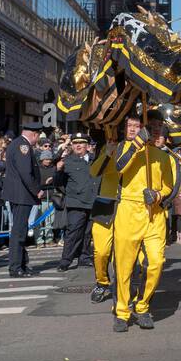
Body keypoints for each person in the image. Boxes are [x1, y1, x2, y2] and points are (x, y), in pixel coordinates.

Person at [110, 111, 179, 332]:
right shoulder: (126, 147)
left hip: (154, 214)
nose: (156, 129)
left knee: (156, 262)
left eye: (159, 126)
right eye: (152, 125)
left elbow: (169, 186)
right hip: (128, 211)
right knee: (124, 265)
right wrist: (138, 142)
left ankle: (142, 306)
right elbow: (120, 166)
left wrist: (158, 195)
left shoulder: (163, 156)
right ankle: (122, 311)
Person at [3, 123, 44, 277]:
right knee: (19, 232)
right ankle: (15, 267)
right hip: (22, 195)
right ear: (34, 134)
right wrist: (36, 190)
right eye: (38, 135)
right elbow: (26, 172)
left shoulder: (18, 144)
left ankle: (21, 263)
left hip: (19, 194)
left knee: (20, 231)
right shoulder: (23, 146)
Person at [87, 130, 123, 304]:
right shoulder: (107, 148)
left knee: (124, 254)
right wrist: (107, 154)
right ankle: (102, 282)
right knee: (101, 251)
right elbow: (94, 172)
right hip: (105, 205)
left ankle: (124, 286)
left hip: (128, 206)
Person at [55, 134, 98, 272]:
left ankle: (84, 257)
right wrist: (59, 170)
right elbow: (58, 183)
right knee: (73, 232)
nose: (78, 146)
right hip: (76, 202)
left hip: (93, 201)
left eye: (81, 143)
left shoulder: (94, 159)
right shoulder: (67, 161)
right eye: (75, 143)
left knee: (87, 233)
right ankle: (65, 261)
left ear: (87, 145)